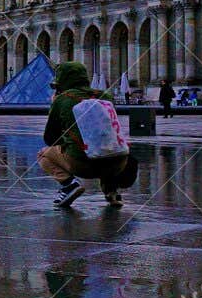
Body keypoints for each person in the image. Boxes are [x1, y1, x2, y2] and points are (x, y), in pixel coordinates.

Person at [38, 61, 135, 208]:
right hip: (118, 163)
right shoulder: (105, 96)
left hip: (84, 166)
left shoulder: (63, 99)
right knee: (104, 146)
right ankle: (112, 192)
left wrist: (55, 105)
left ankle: (69, 185)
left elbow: (50, 138)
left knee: (43, 155)